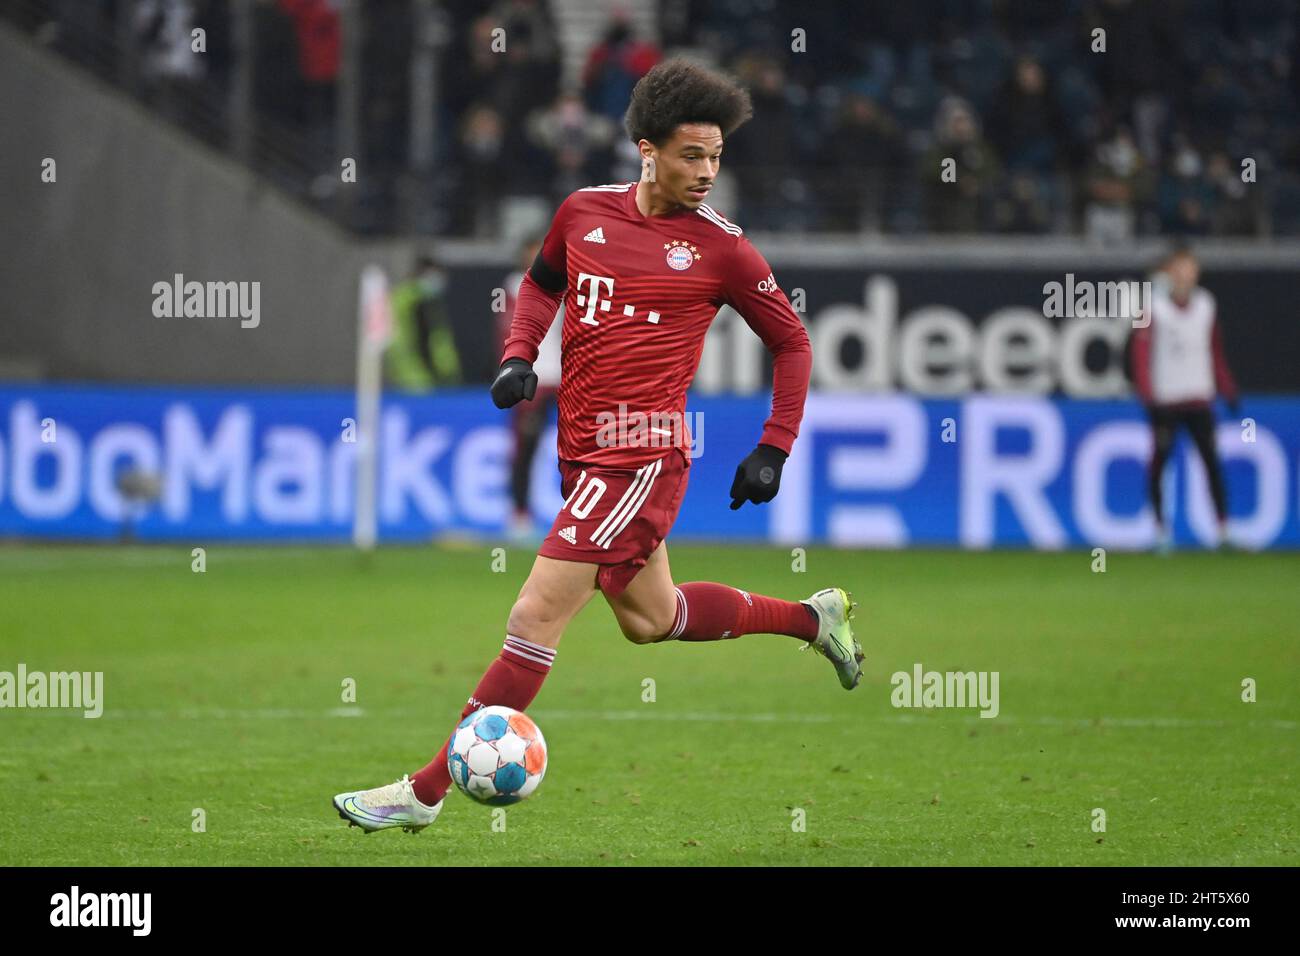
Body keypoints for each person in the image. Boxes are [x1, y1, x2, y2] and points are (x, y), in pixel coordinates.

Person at [333, 59, 864, 834]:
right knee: (652, 619)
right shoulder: (582, 212)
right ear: (647, 150)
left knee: (535, 612)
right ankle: (813, 620)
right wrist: (520, 353)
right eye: (692, 155)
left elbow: (792, 343)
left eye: (716, 157)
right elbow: (544, 283)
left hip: (642, 456)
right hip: (582, 451)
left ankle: (421, 794)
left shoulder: (724, 250)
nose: (707, 172)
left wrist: (775, 444)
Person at [1131, 246, 1239, 552]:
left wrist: (1227, 386)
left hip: (1199, 397)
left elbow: (1214, 350)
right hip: (1165, 399)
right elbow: (1140, 353)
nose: (1183, 275)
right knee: (1159, 465)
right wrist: (1147, 393)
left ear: (1196, 272)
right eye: (1178, 268)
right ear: (1169, 272)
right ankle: (1161, 532)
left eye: (1188, 268)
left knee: (1211, 463)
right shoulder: (1151, 307)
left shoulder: (1207, 304)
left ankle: (1222, 531)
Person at [498, 235, 561, 541]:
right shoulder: (514, 286)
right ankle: (519, 514)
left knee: (581, 447)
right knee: (525, 448)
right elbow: (506, 331)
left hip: (567, 378)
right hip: (532, 380)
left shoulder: (571, 283)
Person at [386, 254, 461, 391]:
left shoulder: (415, 298)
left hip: (418, 374)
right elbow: (426, 340)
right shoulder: (415, 302)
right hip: (419, 377)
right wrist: (444, 368)